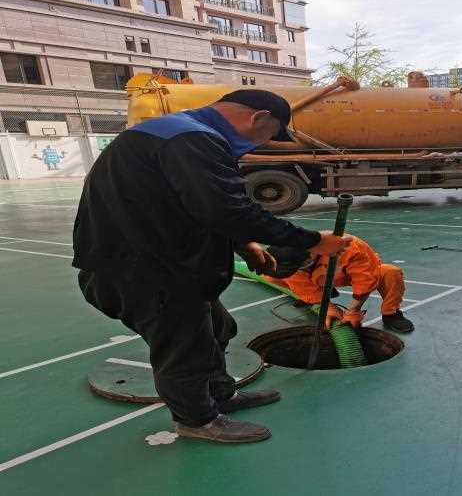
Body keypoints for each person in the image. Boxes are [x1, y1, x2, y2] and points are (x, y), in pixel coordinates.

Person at [72, 90, 350, 444]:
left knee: (218, 327)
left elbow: (192, 204)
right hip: (141, 270)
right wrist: (311, 240)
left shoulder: (177, 132)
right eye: (269, 135)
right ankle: (197, 421)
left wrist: (244, 244)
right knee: (185, 348)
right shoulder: (193, 139)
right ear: (258, 118)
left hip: (163, 263)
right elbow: (227, 210)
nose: (261, 145)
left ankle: (221, 395)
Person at [264, 235, 414, 333]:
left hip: (351, 275)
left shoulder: (349, 247)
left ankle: (391, 314)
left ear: (309, 256)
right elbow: (301, 284)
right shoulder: (290, 260)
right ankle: (325, 293)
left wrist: (354, 310)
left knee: (391, 273)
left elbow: (365, 280)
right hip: (320, 278)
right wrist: (327, 308)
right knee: (269, 276)